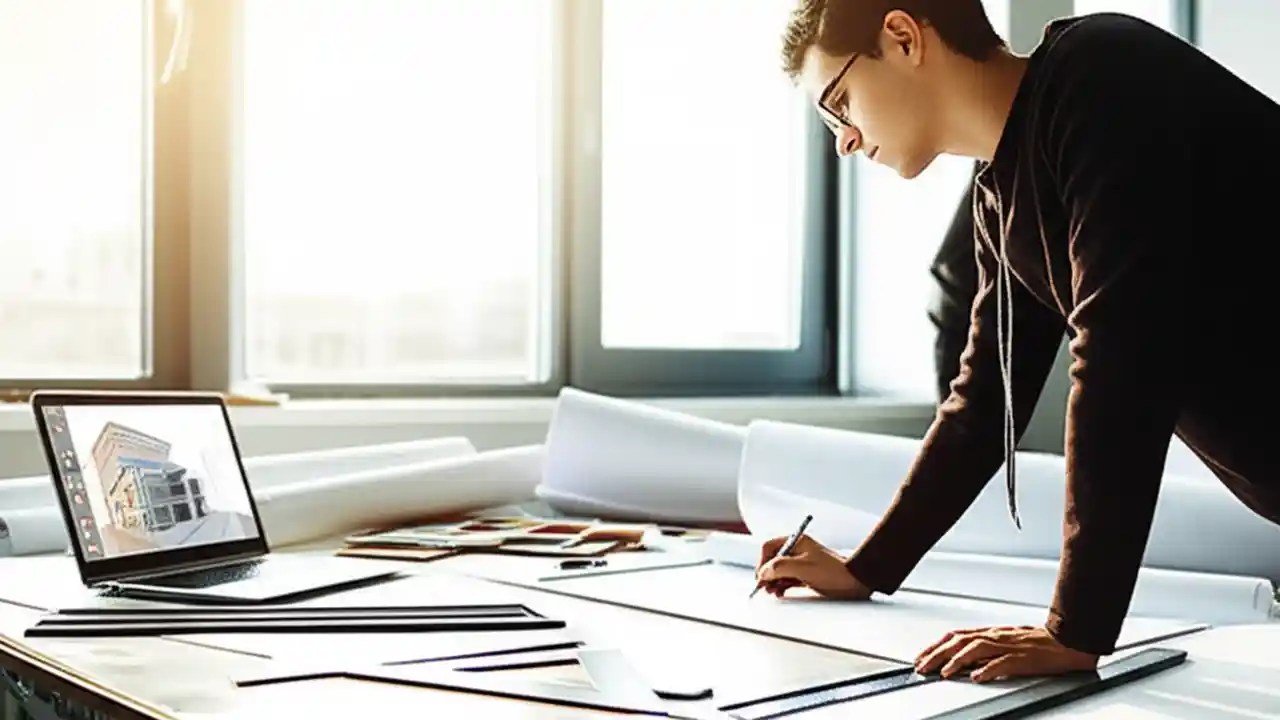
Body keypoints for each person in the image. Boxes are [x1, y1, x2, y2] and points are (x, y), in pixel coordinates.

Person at [757, 0, 1280, 684]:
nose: (845, 140)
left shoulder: (1100, 73)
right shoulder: (999, 197)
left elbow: (1122, 357)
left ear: (903, 37)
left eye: (839, 103)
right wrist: (869, 567)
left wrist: (1075, 629)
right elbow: (982, 407)